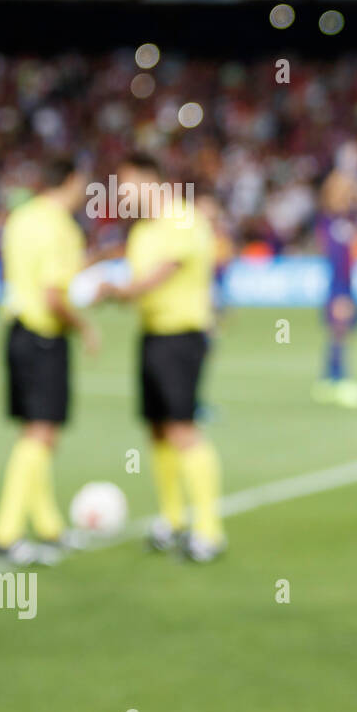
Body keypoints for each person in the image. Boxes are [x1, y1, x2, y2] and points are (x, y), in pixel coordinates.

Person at [98, 154, 225, 563]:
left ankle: (208, 530)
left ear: (148, 180)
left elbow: (157, 276)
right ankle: (172, 520)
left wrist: (116, 292)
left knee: (182, 428)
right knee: (157, 430)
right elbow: (138, 284)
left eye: (125, 183)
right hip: (152, 336)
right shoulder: (143, 231)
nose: (120, 193)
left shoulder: (183, 219)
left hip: (181, 337)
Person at [0, 157, 99, 565]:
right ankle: (7, 533)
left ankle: (49, 527)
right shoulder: (60, 227)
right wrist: (85, 327)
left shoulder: (20, 218)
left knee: (35, 434)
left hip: (18, 331)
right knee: (41, 434)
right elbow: (55, 294)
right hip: (44, 338)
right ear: (70, 180)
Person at [311, 169, 357, 408]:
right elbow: (334, 259)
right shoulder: (329, 222)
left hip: (346, 283)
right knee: (339, 331)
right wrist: (339, 294)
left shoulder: (346, 220)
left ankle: (330, 378)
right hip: (339, 286)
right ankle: (337, 379)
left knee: (342, 331)